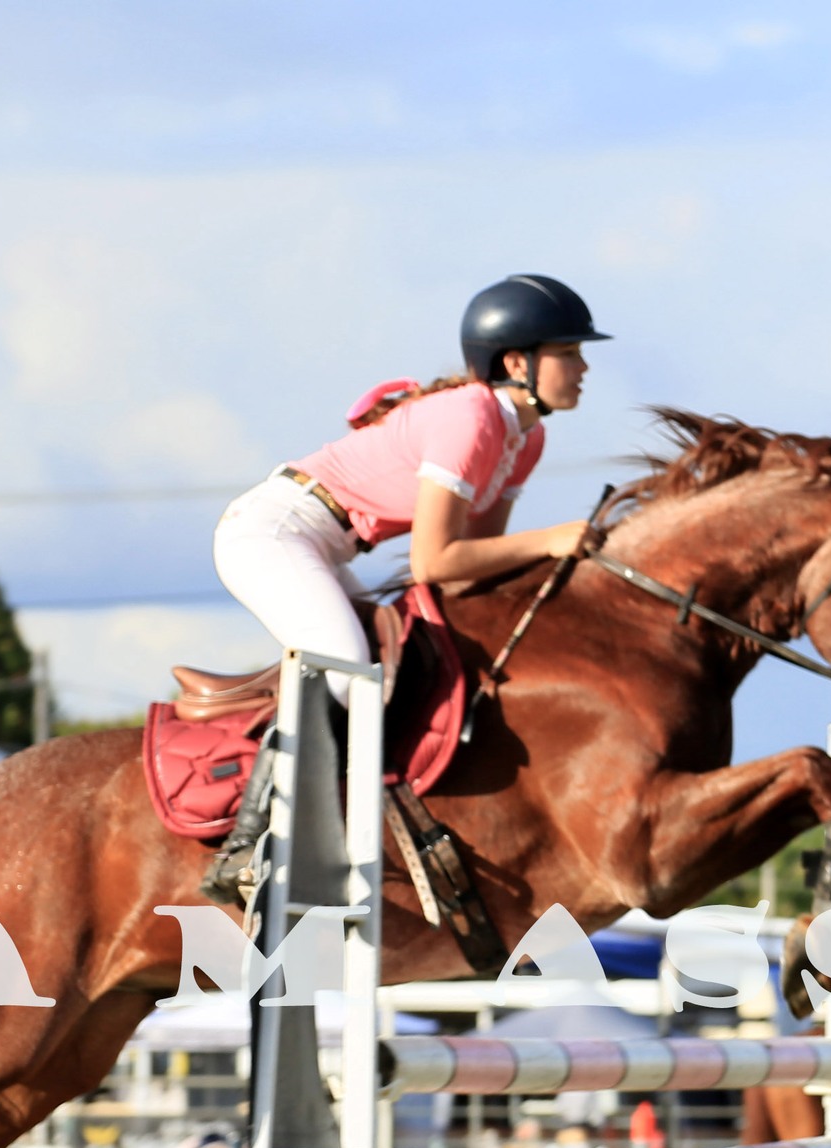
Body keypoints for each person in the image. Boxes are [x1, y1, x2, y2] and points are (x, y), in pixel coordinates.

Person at [201, 273, 612, 904]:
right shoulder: (470, 417)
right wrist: (551, 539)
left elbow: (471, 567)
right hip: (275, 529)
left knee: (400, 665)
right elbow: (435, 559)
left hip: (325, 540)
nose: (583, 366)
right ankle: (245, 846)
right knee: (346, 670)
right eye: (570, 352)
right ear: (516, 362)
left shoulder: (527, 437)